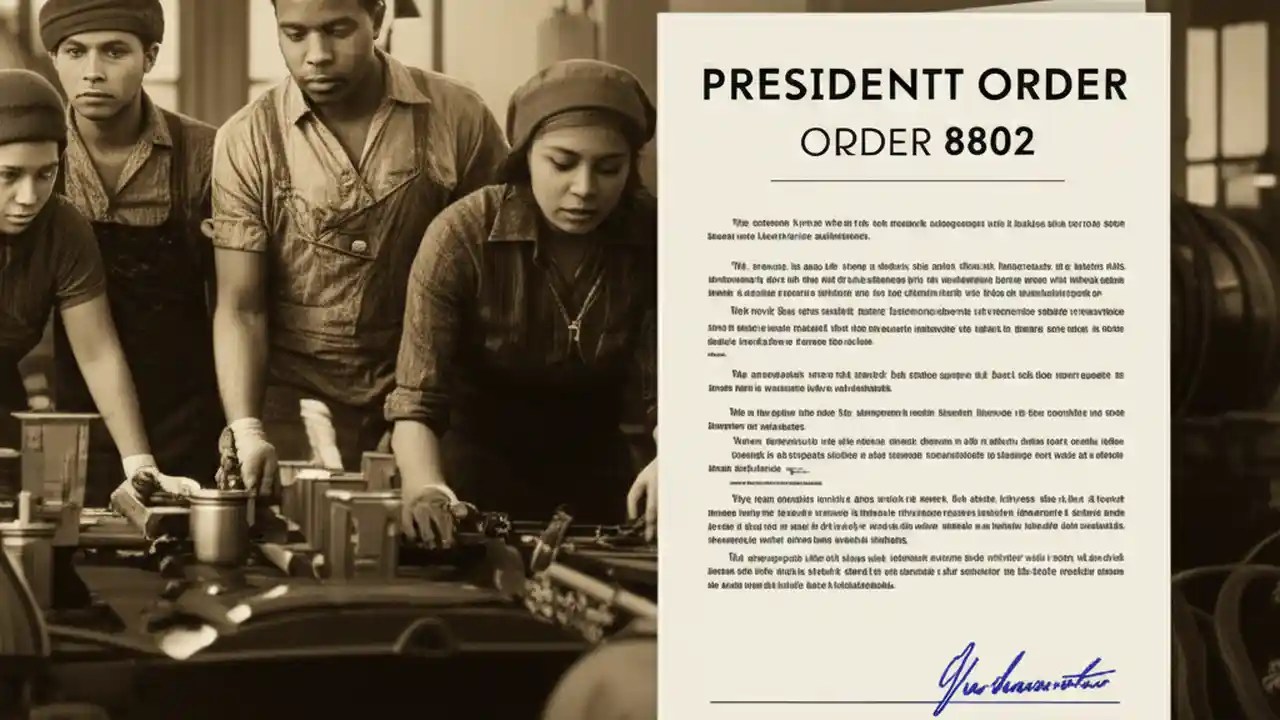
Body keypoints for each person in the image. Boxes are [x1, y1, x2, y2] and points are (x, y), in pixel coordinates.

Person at [210, 0, 508, 497]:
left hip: (429, 385)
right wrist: (247, 430)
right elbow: (240, 307)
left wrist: (424, 408)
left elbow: (490, 286)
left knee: (436, 548)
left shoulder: (457, 116)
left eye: (337, 30)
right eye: (295, 34)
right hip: (297, 399)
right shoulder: (246, 139)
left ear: (378, 17)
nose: (317, 54)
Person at [385, 60, 660, 548]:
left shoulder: (658, 236)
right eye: (561, 163)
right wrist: (427, 487)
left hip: (599, 481)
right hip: (471, 477)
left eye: (609, 168)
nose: (584, 188)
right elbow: (417, 401)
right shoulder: (461, 235)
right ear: (525, 154)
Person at [39, 0, 224, 506]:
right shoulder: (34, 161)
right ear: (53, 57)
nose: (93, 72)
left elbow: (238, 301)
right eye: (75, 51)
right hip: (70, 410)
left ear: (152, 56)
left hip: (191, 414)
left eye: (115, 51)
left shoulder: (206, 154)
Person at [0, 68, 197, 497]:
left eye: (46, 174)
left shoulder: (64, 228)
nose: (30, 197)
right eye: (9, 176)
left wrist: (140, 466)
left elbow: (98, 353)